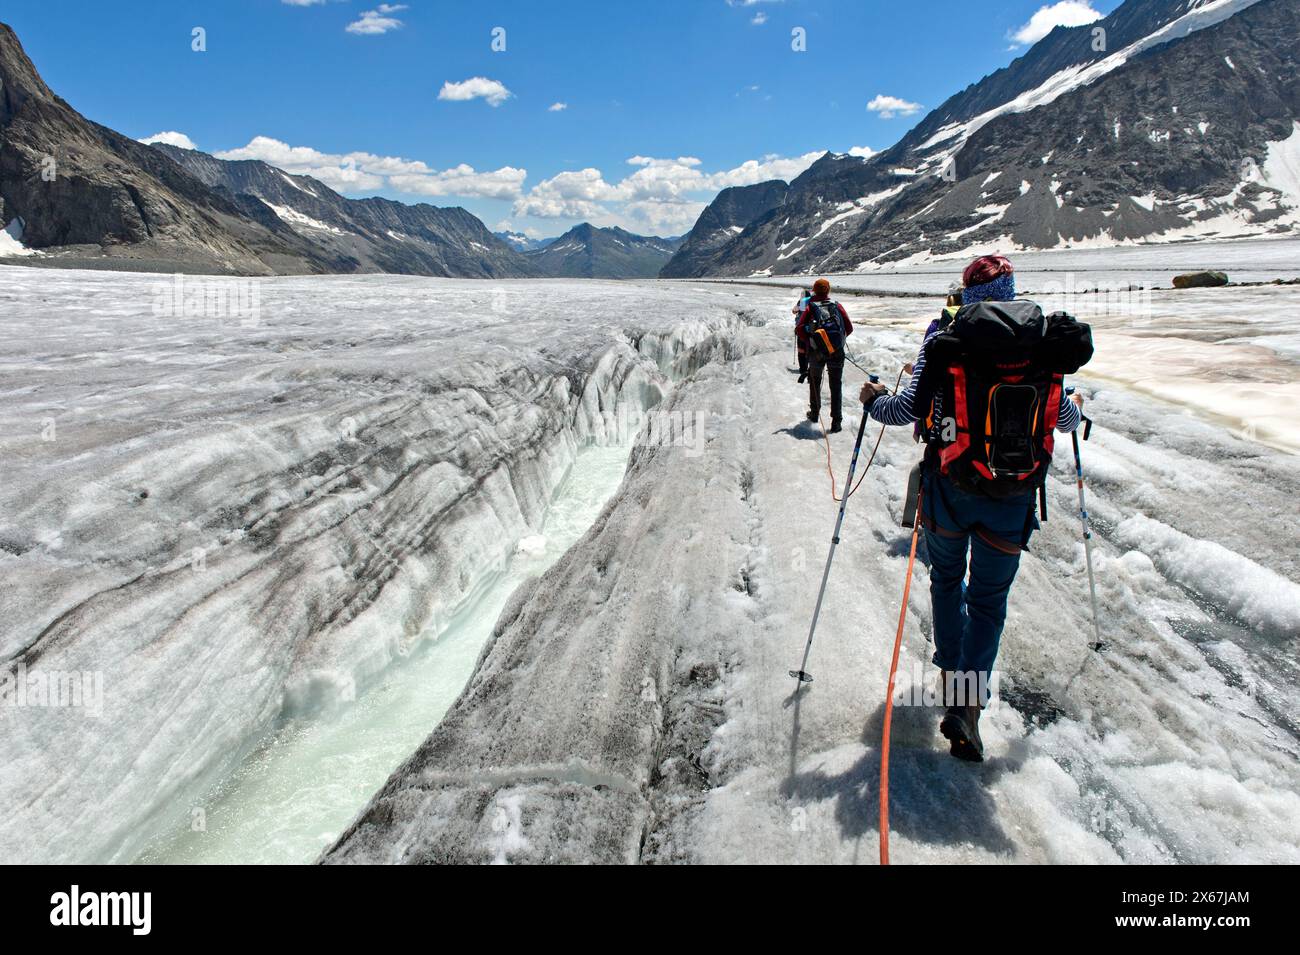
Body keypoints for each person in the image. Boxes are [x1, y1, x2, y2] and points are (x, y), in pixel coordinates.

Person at [860, 254, 1091, 762]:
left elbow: (907, 410)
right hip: (1013, 497)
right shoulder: (1044, 340)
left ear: (967, 294)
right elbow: (1067, 417)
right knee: (988, 602)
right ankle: (968, 705)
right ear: (1012, 291)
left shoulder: (946, 337)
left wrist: (872, 399)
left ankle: (949, 672)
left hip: (951, 487)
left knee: (946, 581)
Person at [796, 278, 853, 433]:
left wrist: (812, 341)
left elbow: (799, 328)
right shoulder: (836, 305)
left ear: (814, 290)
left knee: (815, 382)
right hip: (836, 352)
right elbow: (849, 327)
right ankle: (836, 422)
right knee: (836, 385)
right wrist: (835, 343)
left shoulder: (810, 307)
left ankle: (814, 414)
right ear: (828, 290)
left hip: (816, 352)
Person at [792, 288, 813, 380]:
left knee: (801, 350)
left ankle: (803, 369)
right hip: (811, 330)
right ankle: (810, 368)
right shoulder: (812, 302)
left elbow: (794, 311)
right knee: (810, 349)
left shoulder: (801, 302)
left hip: (801, 329)